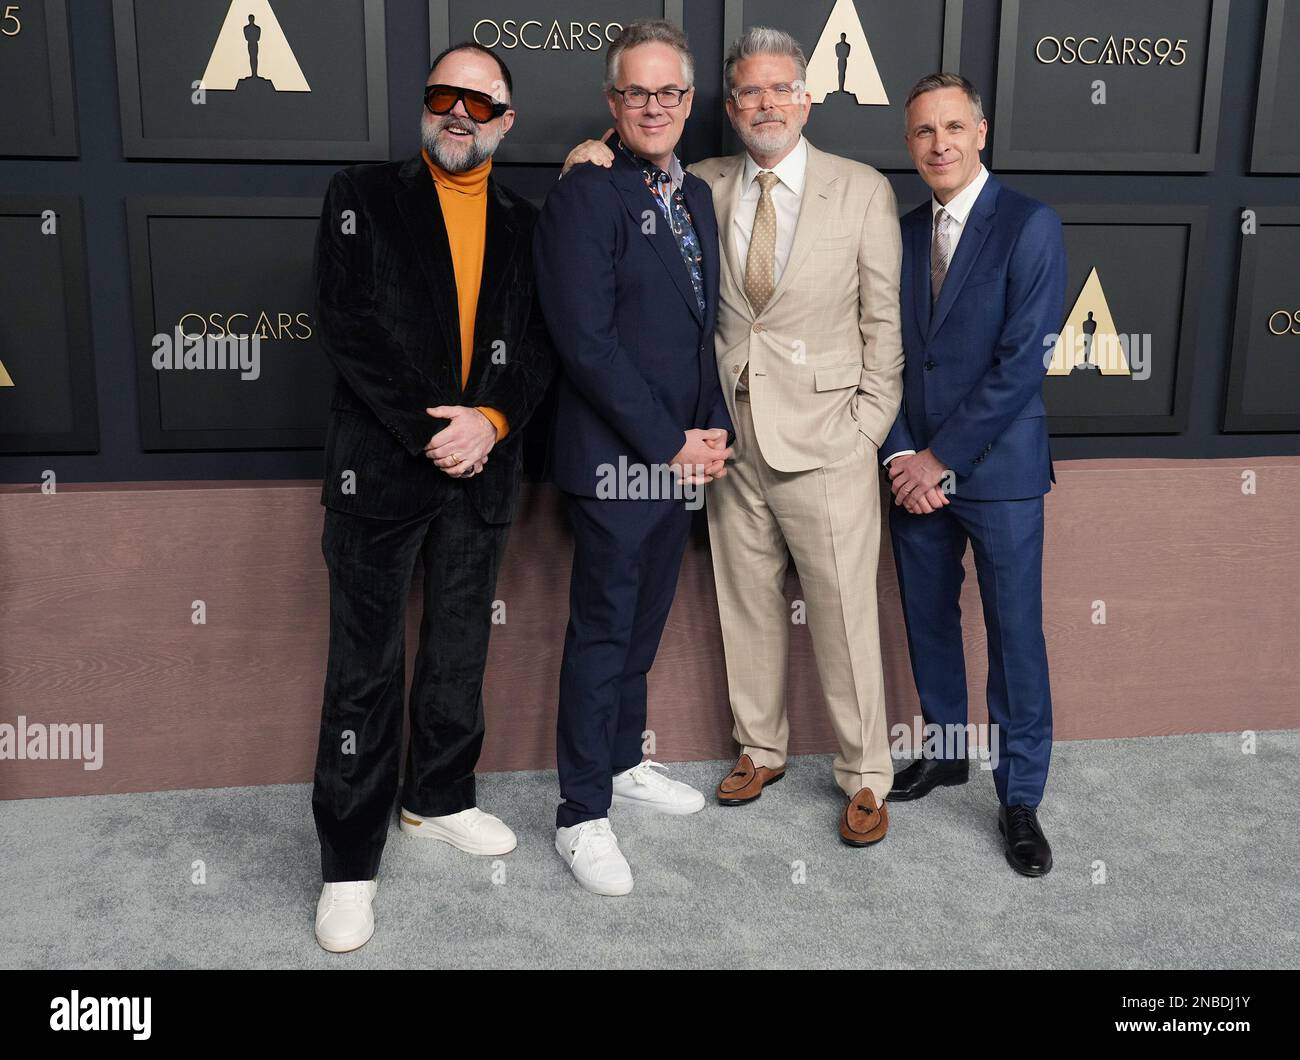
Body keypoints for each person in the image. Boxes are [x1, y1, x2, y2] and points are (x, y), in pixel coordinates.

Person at [561, 26, 904, 847]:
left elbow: (884, 322)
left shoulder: (860, 190)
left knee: (844, 615)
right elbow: (631, 166)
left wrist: (865, 429)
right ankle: (762, 748)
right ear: (730, 104)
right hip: (720, 444)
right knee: (744, 606)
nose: (764, 104)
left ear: (807, 98)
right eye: (748, 92)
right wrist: (590, 150)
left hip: (827, 438)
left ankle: (865, 776)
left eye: (781, 88)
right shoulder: (699, 182)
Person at [311, 42, 555, 951]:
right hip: (380, 471)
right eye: (444, 96)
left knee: (458, 649)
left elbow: (541, 343)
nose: (459, 112)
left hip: (482, 469)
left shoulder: (530, 226)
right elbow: (347, 324)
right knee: (363, 670)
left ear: (505, 121)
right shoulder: (362, 198)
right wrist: (432, 431)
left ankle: (439, 796)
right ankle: (347, 861)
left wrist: (489, 421)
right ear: (426, 105)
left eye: (479, 102)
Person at [534, 19, 733, 896]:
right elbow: (585, 342)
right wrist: (667, 442)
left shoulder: (691, 196)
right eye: (636, 91)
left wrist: (712, 429)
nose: (654, 105)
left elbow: (702, 331)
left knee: (644, 627)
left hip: (681, 456)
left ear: (689, 103)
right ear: (613, 101)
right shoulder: (587, 192)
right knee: (604, 633)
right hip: (617, 460)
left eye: (670, 92)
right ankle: (581, 814)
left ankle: (621, 763)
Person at [882, 73, 1065, 877]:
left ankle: (1019, 795)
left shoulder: (1029, 225)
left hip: (996, 471)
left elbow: (1021, 362)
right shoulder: (902, 230)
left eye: (954, 127)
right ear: (909, 144)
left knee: (1014, 634)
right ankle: (948, 751)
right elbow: (881, 358)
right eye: (923, 131)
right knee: (927, 620)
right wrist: (899, 453)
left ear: (981, 132)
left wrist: (938, 458)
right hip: (912, 471)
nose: (939, 144)